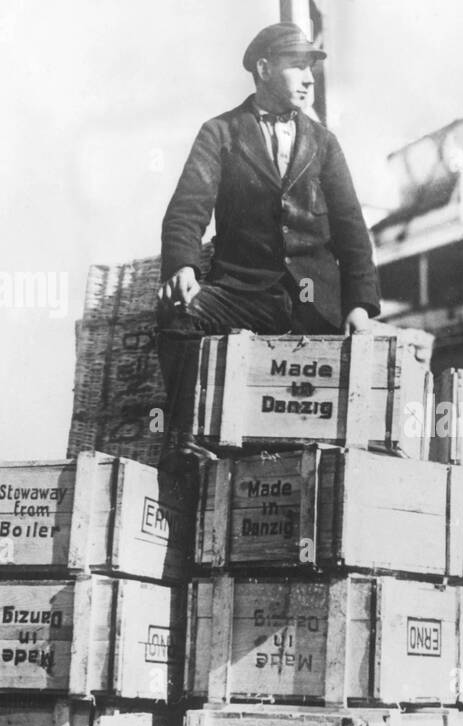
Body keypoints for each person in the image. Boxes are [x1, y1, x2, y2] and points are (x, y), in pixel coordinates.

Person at [156, 22, 382, 467]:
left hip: (314, 301)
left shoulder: (324, 143)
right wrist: (182, 266)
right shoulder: (220, 133)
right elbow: (186, 211)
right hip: (245, 294)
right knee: (178, 311)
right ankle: (183, 439)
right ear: (263, 68)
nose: (309, 78)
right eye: (298, 65)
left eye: (311, 68)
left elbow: (353, 232)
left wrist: (360, 304)